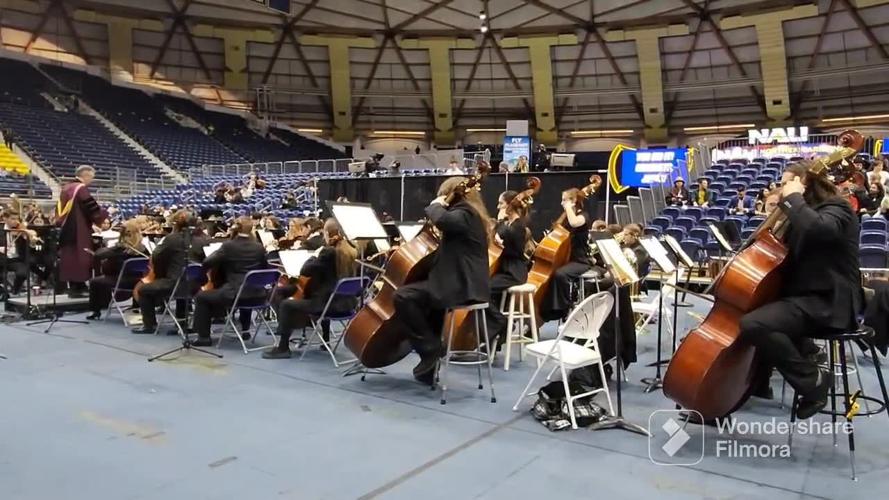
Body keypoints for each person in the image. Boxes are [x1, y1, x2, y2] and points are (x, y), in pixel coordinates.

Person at [739, 160, 863, 419]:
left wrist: (793, 198)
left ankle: (814, 381)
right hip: (804, 300)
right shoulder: (797, 217)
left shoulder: (837, 208)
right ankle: (758, 383)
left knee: (756, 324)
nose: (781, 189)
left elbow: (820, 230)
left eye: (787, 184)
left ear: (804, 185)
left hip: (830, 302)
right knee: (762, 317)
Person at [392, 177, 491, 384]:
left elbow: (443, 220)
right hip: (462, 284)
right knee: (429, 302)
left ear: (449, 195)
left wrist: (436, 205)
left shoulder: (465, 213)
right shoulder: (472, 214)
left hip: (461, 287)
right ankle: (428, 367)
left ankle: (430, 348)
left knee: (404, 296)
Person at [263, 219, 358, 359]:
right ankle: (319, 336)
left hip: (327, 304)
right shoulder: (351, 250)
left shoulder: (328, 252)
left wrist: (314, 255)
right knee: (284, 292)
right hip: (346, 302)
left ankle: (283, 347)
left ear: (327, 233)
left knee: (286, 304)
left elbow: (305, 270)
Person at [190, 217, 268, 346]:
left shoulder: (228, 246)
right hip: (257, 294)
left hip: (235, 294)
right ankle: (245, 330)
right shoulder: (259, 247)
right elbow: (264, 268)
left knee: (202, 297)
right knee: (244, 286)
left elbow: (207, 262)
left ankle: (203, 337)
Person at [131, 210, 207, 334]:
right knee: (183, 285)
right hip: (198, 285)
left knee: (143, 290)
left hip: (176, 283)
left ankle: (149, 325)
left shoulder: (172, 238)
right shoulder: (202, 239)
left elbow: (156, 256)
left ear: (176, 224)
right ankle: (182, 323)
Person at [484, 191, 531, 348]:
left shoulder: (518, 226)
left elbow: (513, 249)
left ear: (510, 205)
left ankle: (501, 323)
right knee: (488, 289)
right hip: (505, 270)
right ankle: (493, 338)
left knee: (483, 289)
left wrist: (499, 229)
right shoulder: (508, 224)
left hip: (514, 272)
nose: (498, 207)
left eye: (501, 204)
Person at [541, 188, 593, 321]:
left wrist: (569, 208)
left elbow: (574, 222)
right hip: (566, 259)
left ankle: (565, 307)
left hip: (580, 260)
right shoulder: (566, 219)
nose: (561, 203)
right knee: (550, 275)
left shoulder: (583, 216)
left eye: (564, 200)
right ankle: (544, 312)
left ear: (574, 200)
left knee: (560, 274)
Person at [57, 165, 108, 297]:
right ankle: (77, 288)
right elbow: (91, 209)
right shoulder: (80, 188)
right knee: (79, 257)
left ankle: (75, 286)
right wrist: (105, 213)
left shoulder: (66, 187)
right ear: (85, 175)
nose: (91, 181)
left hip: (66, 228)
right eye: (91, 178)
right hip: (78, 229)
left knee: (70, 257)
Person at [86, 220, 146, 320]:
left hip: (121, 281)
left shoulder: (119, 249)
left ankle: (95, 311)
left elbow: (98, 255)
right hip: (140, 282)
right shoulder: (143, 248)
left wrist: (115, 246)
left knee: (94, 281)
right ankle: (136, 306)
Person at [1, 212, 45, 295]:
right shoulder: (1, 228)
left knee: (23, 273)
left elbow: (30, 245)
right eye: (13, 219)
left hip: (15, 260)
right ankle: (4, 291)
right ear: (5, 219)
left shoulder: (20, 230)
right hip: (1, 258)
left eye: (17, 219)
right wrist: (1, 248)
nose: (16, 221)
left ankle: (15, 291)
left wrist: (32, 241)